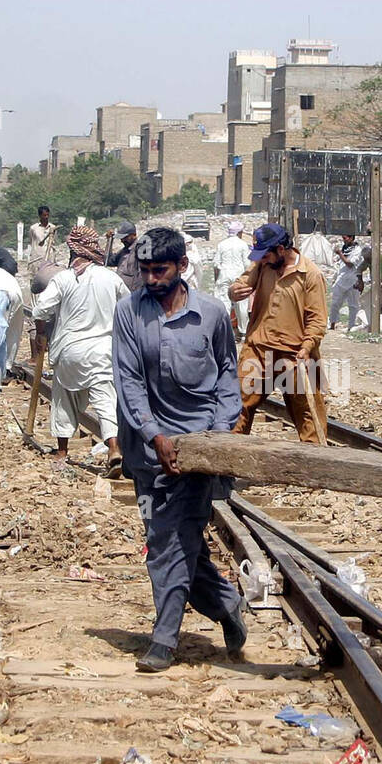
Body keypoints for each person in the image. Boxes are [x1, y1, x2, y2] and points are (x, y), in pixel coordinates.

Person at [112, 227, 247, 673]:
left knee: (172, 542)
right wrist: (155, 436)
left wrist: (218, 434)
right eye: (144, 271)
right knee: (168, 538)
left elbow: (228, 376)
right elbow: (129, 381)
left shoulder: (210, 314)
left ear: (182, 267)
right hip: (148, 451)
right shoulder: (128, 313)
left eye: (159, 270)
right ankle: (226, 603)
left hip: (196, 453)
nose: (150, 279)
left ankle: (164, 639)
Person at [33, 226, 129, 472]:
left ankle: (62, 453)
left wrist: (42, 332)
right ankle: (114, 447)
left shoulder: (64, 278)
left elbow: (41, 309)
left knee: (64, 399)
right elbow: (128, 310)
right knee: (106, 400)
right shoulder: (112, 278)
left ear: (73, 250)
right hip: (104, 351)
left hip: (70, 351)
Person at [228, 223, 328, 444]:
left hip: (295, 354)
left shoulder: (310, 275)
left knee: (307, 414)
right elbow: (241, 283)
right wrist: (234, 292)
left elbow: (317, 319)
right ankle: (228, 463)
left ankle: (316, 465)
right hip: (258, 349)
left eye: (266, 255)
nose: (262, 260)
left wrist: (307, 346)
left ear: (281, 250)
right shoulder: (263, 266)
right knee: (237, 405)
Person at [214, 221, 252, 337]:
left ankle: (225, 330)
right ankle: (243, 331)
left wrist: (217, 279)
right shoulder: (243, 244)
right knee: (241, 303)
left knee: (223, 302)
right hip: (238, 275)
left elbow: (216, 264)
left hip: (224, 274)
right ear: (239, 232)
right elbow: (247, 264)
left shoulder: (221, 244)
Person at [328, 234, 366, 330]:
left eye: (345, 238)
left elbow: (350, 264)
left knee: (353, 305)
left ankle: (351, 326)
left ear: (351, 238)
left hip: (353, 280)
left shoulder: (357, 250)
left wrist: (340, 253)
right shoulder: (345, 248)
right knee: (335, 303)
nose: (344, 240)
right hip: (341, 280)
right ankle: (332, 324)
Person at [106, 220, 139, 292]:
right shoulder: (123, 251)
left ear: (134, 235)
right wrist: (109, 241)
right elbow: (108, 261)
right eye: (121, 238)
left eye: (125, 237)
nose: (122, 240)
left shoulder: (139, 251)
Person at [28, 206, 59, 271]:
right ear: (40, 216)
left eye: (47, 215)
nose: (46, 217)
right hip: (37, 258)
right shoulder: (33, 228)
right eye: (44, 215)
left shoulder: (53, 227)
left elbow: (54, 241)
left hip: (50, 258)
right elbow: (31, 241)